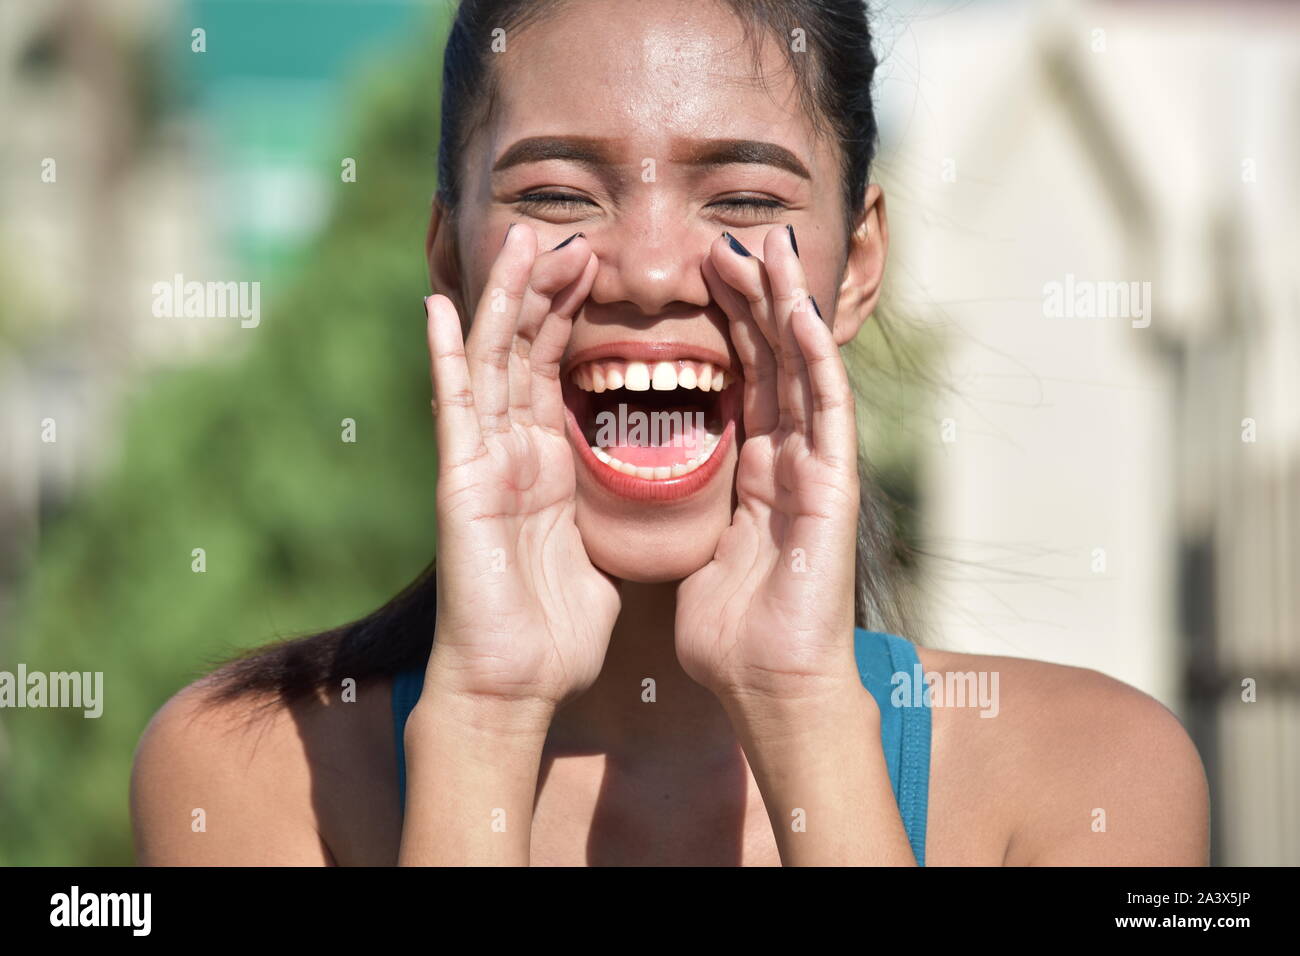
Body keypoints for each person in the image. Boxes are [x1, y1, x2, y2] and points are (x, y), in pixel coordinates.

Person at [130, 0, 1209, 866]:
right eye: (556, 193)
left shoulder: (1092, 775)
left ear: (859, 264)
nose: (647, 274)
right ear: (450, 259)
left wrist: (803, 715)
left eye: (741, 197)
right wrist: (482, 726)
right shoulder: (256, 772)